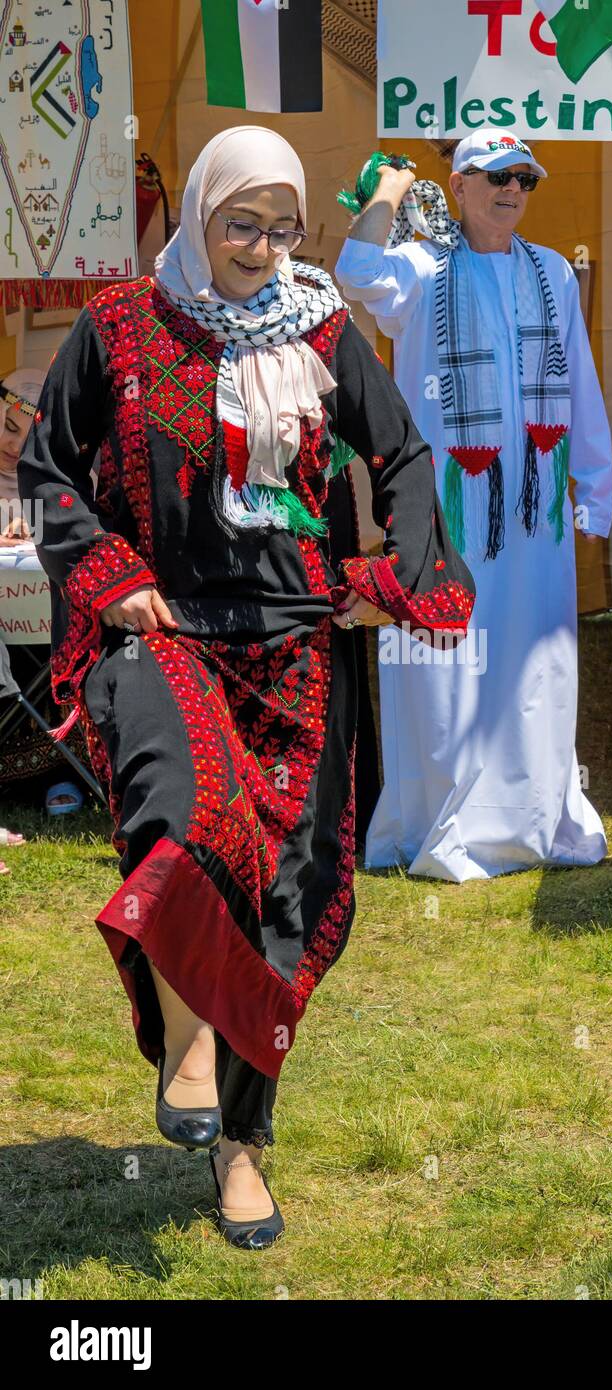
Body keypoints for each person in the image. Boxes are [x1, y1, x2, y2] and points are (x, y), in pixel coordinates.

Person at [18, 126, 474, 1248]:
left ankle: (241, 1149)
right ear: (201, 217)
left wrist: (389, 576)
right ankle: (187, 1047)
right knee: (186, 813)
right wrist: (108, 572)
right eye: (242, 224)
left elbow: (404, 459)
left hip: (298, 647)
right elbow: (45, 469)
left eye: (282, 227)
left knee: (286, 895)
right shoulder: (119, 327)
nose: (263, 248)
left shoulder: (320, 324)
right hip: (161, 625)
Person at [335, 131, 612, 882]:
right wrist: (389, 194)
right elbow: (353, 271)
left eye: (524, 178)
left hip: (532, 509)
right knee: (446, 656)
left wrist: (594, 485)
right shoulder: (422, 265)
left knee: (535, 660)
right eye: (495, 176)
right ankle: (444, 822)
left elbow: (580, 382)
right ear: (458, 186)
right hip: (450, 502)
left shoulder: (553, 271)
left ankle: (530, 818)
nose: (512, 189)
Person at [0, 368, 85, 818]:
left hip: (42, 626)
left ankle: (58, 771)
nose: (14, 447)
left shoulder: (60, 476)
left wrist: (41, 528)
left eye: (27, 434)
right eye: (7, 427)